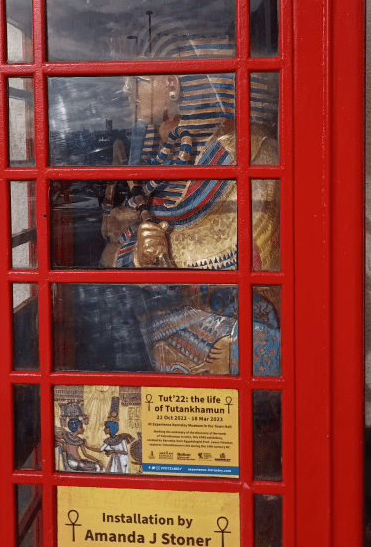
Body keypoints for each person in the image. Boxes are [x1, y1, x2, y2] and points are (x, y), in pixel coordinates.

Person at [101, 28, 281, 375]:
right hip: (162, 346)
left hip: (237, 341)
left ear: (173, 84)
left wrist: (153, 252)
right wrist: (138, 250)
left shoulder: (253, 154)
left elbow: (252, 263)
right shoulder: (178, 149)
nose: (125, 89)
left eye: (138, 79)